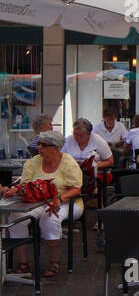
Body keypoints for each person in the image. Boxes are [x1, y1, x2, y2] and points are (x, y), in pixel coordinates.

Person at [2, 131, 83, 278]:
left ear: (56, 148)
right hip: (36, 201)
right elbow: (24, 185)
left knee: (50, 217)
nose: (39, 147)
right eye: (39, 144)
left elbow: (76, 189)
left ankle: (54, 260)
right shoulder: (33, 162)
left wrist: (59, 199)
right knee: (15, 217)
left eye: (44, 145)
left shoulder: (68, 162)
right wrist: (14, 190)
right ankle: (23, 263)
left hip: (67, 201)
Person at [62, 118, 114, 195]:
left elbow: (110, 162)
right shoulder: (68, 140)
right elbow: (62, 158)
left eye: (80, 135)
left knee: (87, 183)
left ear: (89, 134)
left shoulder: (97, 140)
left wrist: (92, 166)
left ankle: (92, 203)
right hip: (73, 172)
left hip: (96, 173)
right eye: (75, 134)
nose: (76, 137)